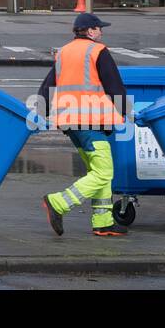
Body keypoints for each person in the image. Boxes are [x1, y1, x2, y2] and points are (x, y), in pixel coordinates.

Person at [37, 12, 128, 237]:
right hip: (91, 122)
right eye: (98, 28)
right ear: (89, 31)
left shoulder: (63, 52)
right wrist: (126, 113)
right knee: (104, 172)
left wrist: (42, 113)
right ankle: (58, 203)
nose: (101, 32)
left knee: (97, 171)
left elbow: (47, 86)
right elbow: (114, 86)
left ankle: (103, 221)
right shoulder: (98, 51)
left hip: (70, 124)